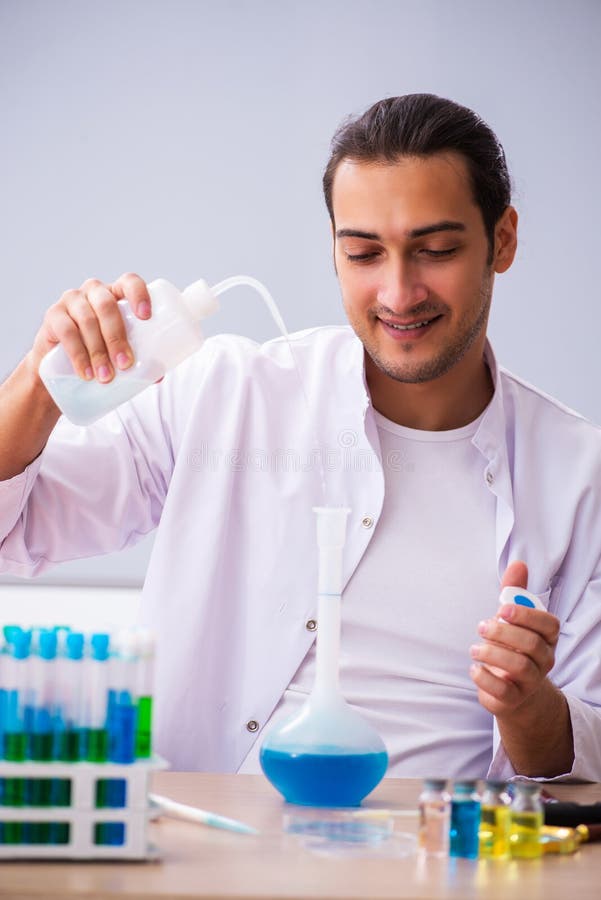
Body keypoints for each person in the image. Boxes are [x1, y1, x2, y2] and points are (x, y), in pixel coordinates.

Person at [1, 94, 601, 780]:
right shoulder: (224, 394)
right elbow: (13, 529)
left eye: (436, 250)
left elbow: (588, 757)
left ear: (502, 240)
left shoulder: (578, 477)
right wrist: (37, 380)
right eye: (364, 253)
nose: (399, 293)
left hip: (435, 845)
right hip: (200, 842)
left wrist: (528, 707)